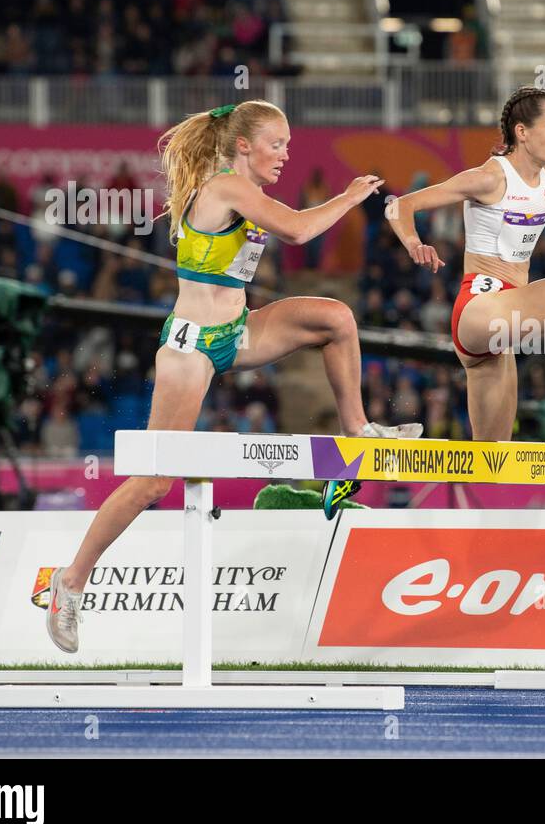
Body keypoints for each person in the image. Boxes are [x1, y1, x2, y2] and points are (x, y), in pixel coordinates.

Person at [45, 100, 420, 654]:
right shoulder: (225, 187)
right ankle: (70, 581)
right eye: (277, 144)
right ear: (243, 145)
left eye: (289, 145)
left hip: (237, 333)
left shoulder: (250, 195)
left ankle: (358, 430)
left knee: (336, 319)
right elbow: (296, 232)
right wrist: (349, 196)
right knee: (154, 482)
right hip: (191, 348)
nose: (286, 155)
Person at [385, 86, 545, 440]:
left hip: (499, 334)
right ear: (522, 132)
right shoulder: (490, 178)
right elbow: (399, 205)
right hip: (480, 308)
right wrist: (415, 243)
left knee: (494, 459)